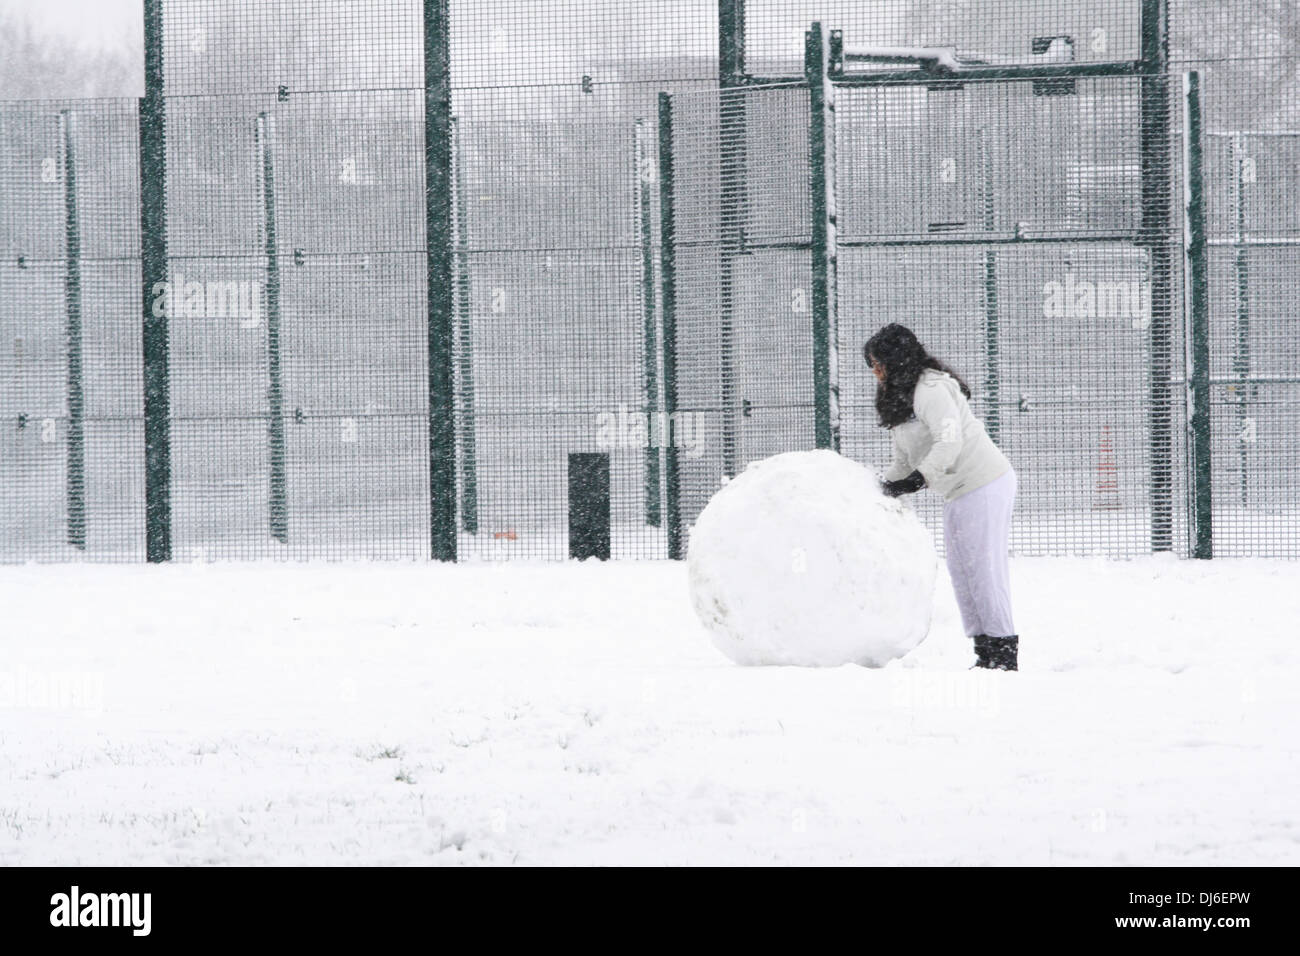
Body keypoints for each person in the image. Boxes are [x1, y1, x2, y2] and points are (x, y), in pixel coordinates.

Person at [864, 323, 1019, 671]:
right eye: (871, 365)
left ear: (896, 359)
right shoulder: (900, 397)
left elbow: (949, 442)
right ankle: (985, 652)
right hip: (958, 492)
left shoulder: (930, 390)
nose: (875, 372)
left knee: (984, 570)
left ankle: (1003, 654)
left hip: (984, 483)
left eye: (878, 363)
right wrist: (877, 487)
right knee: (962, 571)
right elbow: (903, 459)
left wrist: (918, 481)